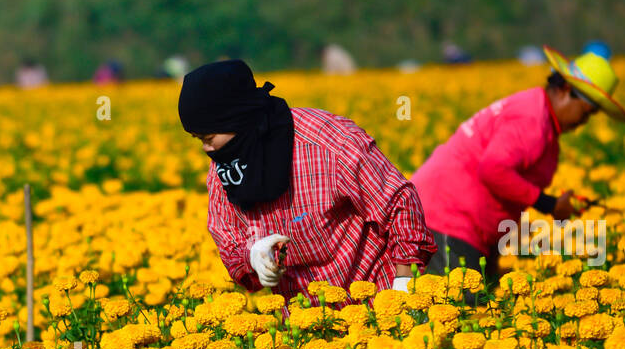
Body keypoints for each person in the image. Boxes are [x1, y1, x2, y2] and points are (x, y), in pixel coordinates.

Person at [178, 59, 435, 305]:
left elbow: (399, 203)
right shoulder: (225, 171)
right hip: (306, 329)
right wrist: (253, 257)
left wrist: (404, 283)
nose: (206, 149)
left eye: (209, 136)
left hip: (379, 303)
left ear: (238, 118)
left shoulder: (328, 142)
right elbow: (228, 239)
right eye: (197, 139)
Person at [410, 45, 625, 300]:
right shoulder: (533, 118)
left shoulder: (538, 114)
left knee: (481, 306)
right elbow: (493, 170)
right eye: (587, 113)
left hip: (461, 224)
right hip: (446, 220)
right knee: (458, 310)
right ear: (567, 91)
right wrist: (549, 204)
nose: (583, 122)